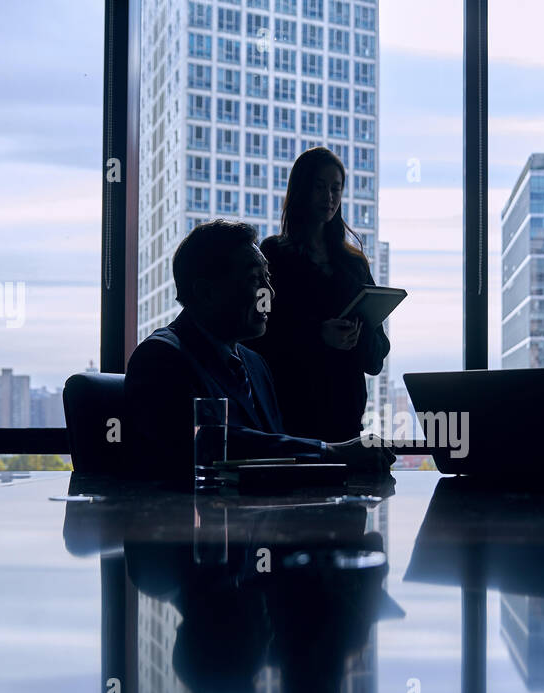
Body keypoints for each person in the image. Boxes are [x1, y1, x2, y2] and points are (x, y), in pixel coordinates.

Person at [124, 219, 393, 481]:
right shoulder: (160, 359)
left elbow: (274, 455)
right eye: (255, 279)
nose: (270, 292)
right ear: (206, 292)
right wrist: (332, 452)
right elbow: (210, 445)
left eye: (267, 276)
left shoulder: (254, 365)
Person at [246, 147, 390, 443]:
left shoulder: (354, 264)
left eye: (336, 188)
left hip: (347, 420)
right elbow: (256, 341)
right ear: (301, 189)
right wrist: (317, 336)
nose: (329, 197)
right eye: (319, 187)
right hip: (292, 420)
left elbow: (376, 357)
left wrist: (357, 335)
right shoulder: (273, 256)